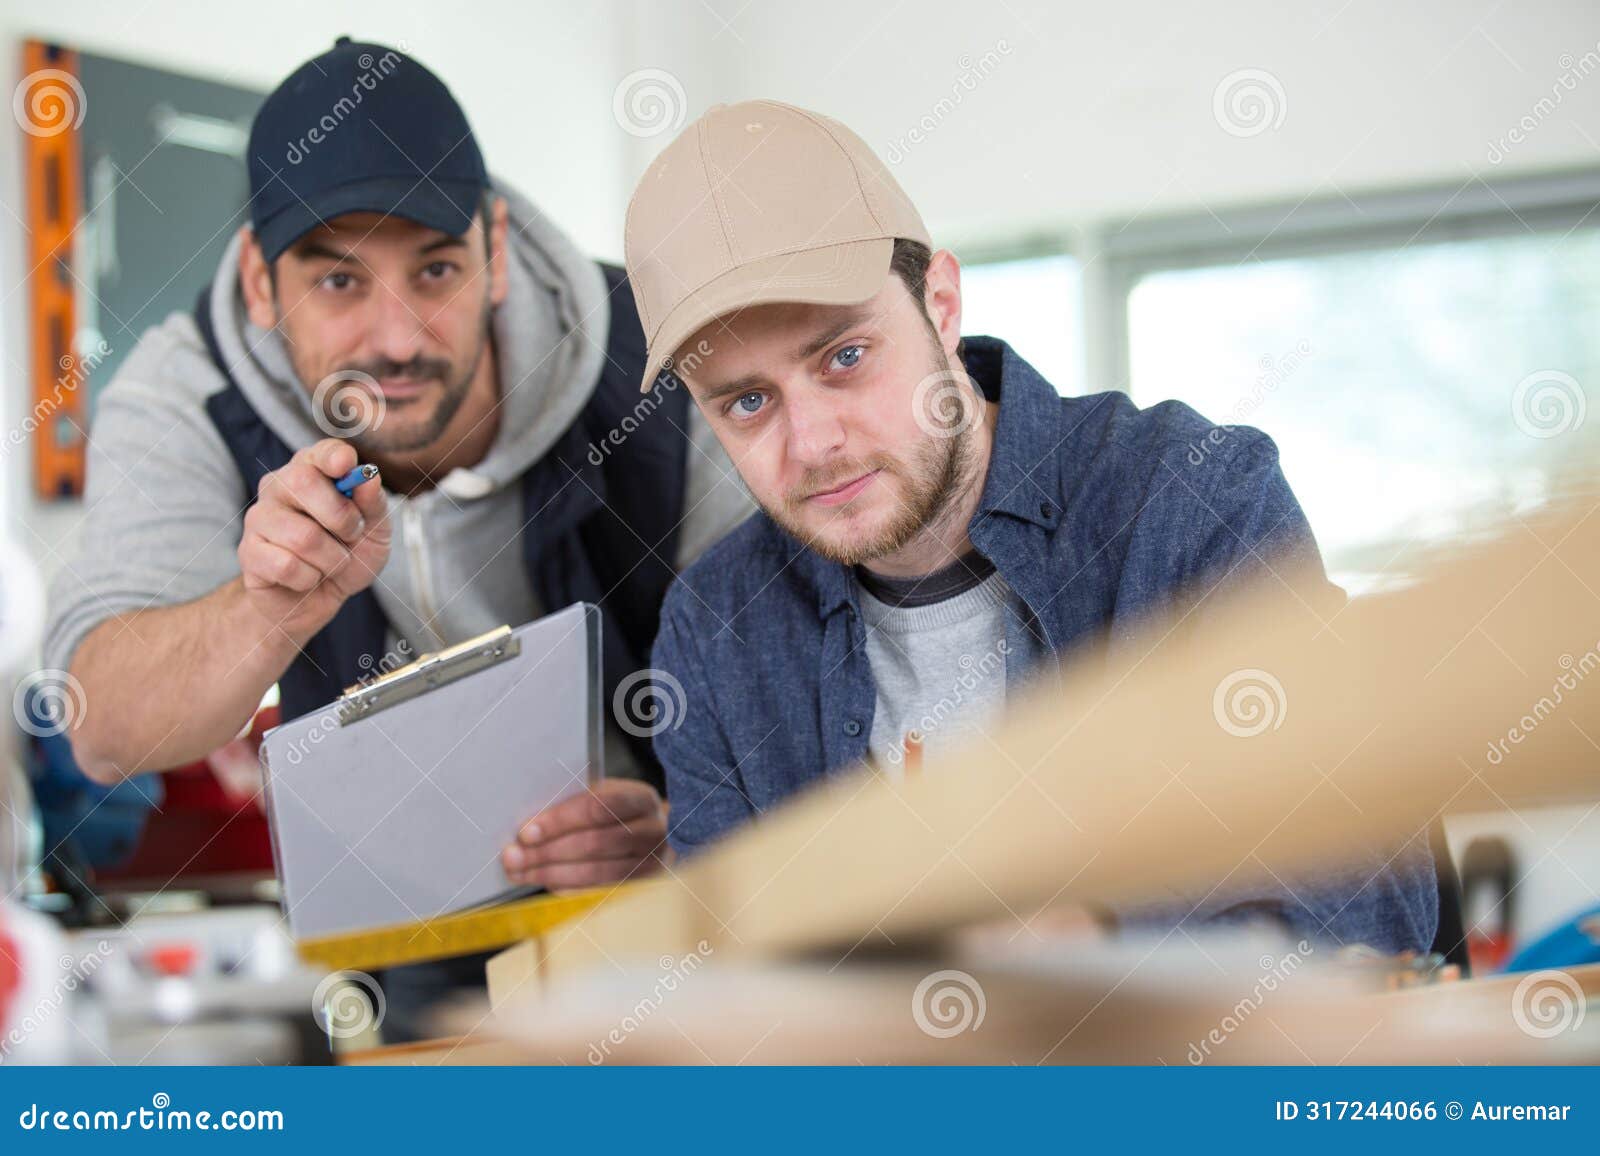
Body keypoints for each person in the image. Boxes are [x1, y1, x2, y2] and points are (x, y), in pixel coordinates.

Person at [43, 40, 750, 1037]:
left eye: (436, 269)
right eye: (339, 282)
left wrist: (685, 833)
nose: (398, 338)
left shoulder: (664, 364)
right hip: (392, 932)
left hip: (672, 912)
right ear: (259, 283)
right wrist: (267, 608)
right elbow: (105, 730)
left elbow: (797, 688)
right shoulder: (183, 396)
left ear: (494, 248)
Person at [622, 100, 1437, 954]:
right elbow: (730, 978)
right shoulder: (713, 629)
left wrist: (1091, 936)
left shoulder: (1194, 500)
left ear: (941, 305)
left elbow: (1371, 904)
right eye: (748, 402)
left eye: (845, 357)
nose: (814, 443)